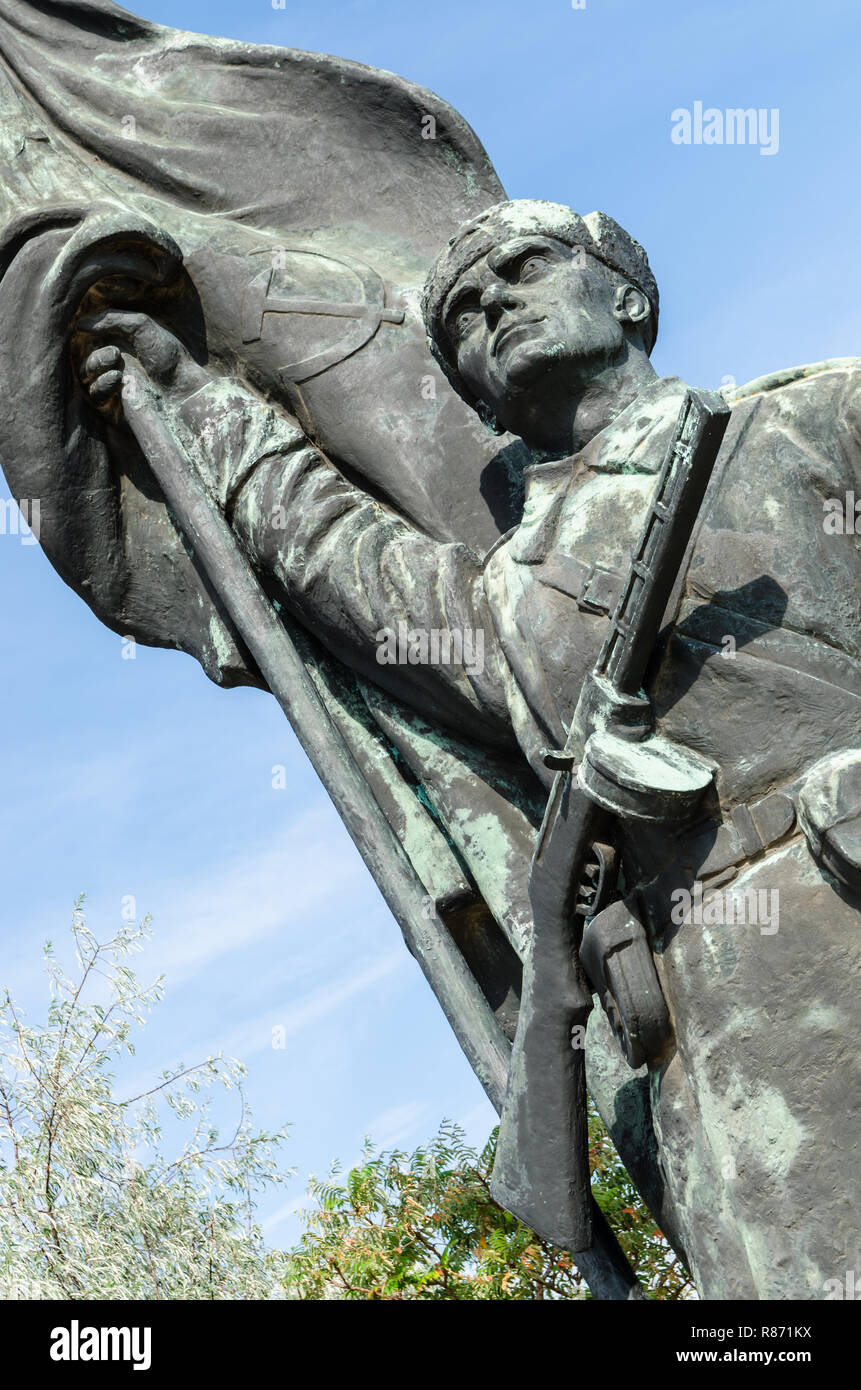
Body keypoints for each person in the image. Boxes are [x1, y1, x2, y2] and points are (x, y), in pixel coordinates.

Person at [78, 199, 861, 1298]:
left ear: (629, 295)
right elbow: (325, 547)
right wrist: (193, 395)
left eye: (523, 267)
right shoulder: (502, 599)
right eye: (460, 320)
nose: (491, 304)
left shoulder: (820, 417)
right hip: (713, 1045)